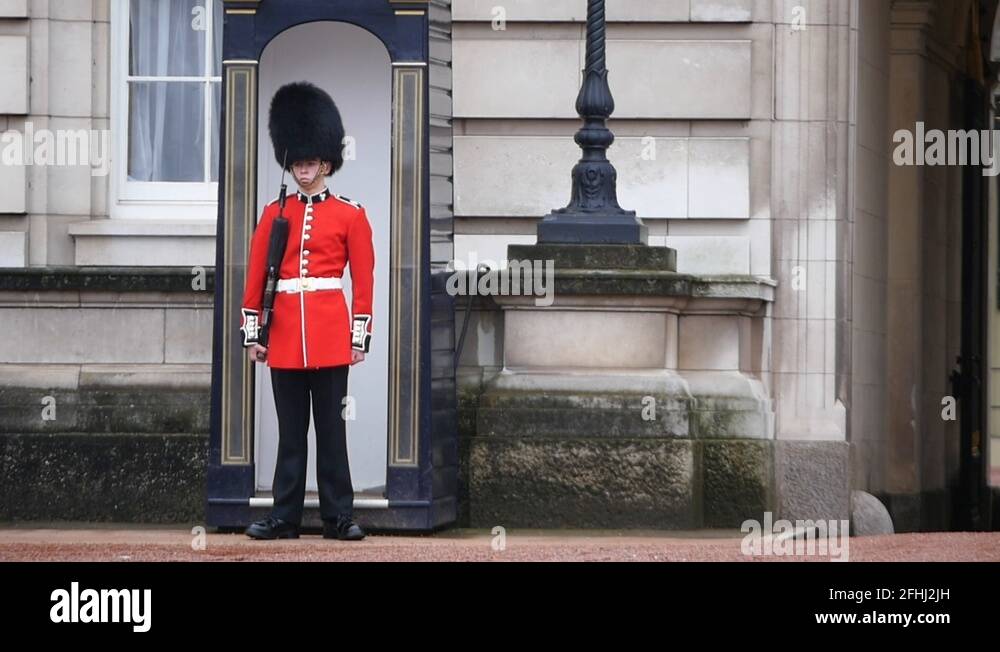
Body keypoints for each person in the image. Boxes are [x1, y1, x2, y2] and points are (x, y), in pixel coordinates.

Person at [240, 81, 374, 541]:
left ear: (326, 163)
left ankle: (338, 516)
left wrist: (359, 337)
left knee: (332, 435)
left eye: (310, 163)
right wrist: (253, 333)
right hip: (283, 339)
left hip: (331, 335)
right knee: (290, 435)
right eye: (296, 163)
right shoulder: (273, 213)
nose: (302, 171)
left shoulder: (350, 215)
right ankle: (285, 517)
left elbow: (364, 281)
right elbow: (256, 276)